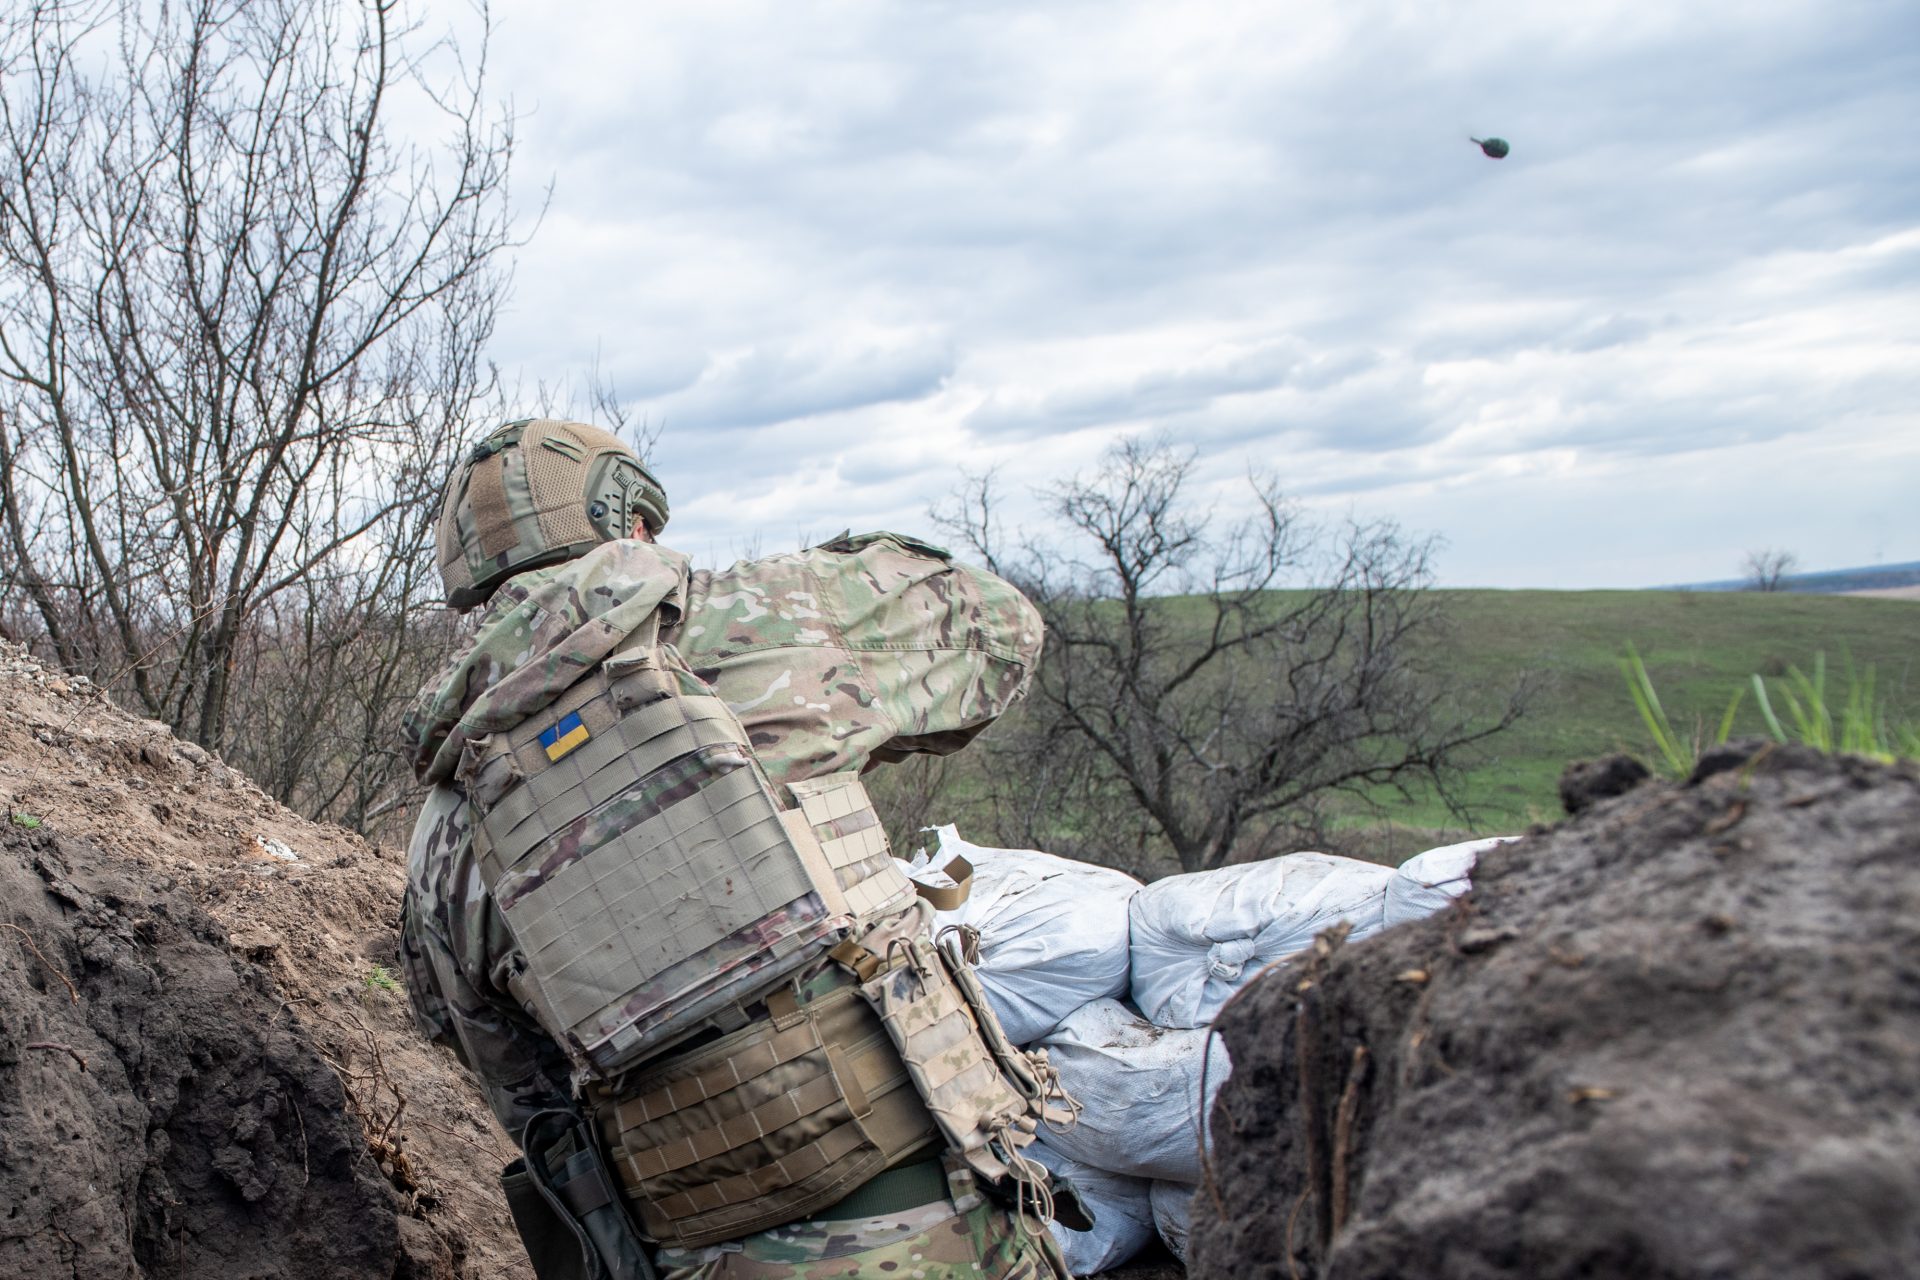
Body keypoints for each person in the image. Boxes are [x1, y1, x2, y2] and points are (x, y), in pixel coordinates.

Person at [399, 419, 1067, 1280]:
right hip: (952, 1229)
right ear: (634, 522)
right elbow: (1002, 630)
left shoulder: (441, 837)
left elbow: (526, 1102)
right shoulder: (767, 619)